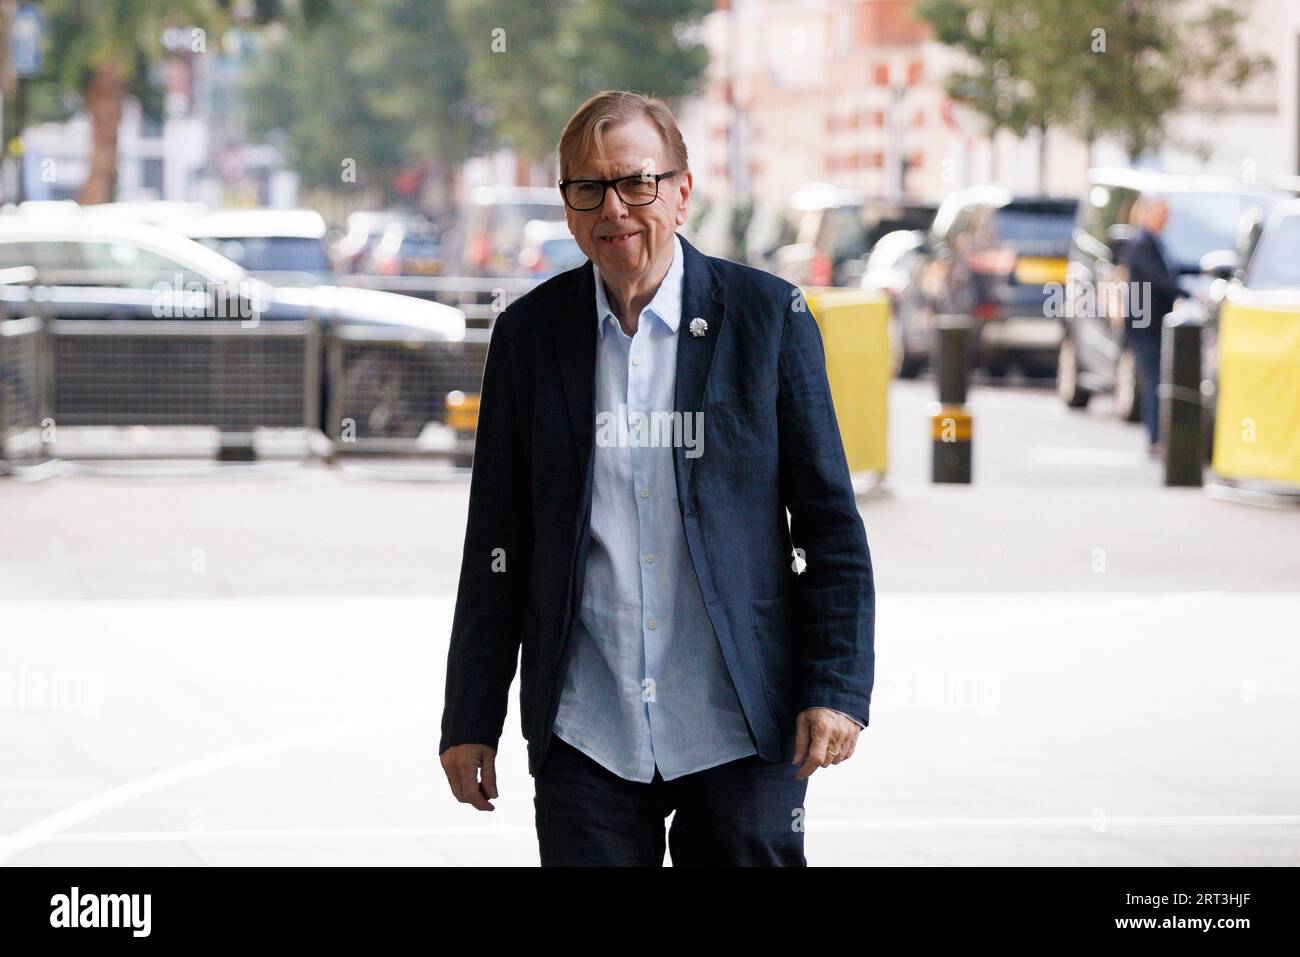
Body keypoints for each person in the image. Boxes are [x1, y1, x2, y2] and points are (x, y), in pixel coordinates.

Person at [438, 90, 875, 866]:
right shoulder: (529, 338)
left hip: (743, 716)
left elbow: (830, 524)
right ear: (568, 206)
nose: (616, 208)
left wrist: (836, 685)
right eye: (589, 187)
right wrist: (470, 713)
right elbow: (497, 543)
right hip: (588, 725)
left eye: (637, 182)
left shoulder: (769, 318)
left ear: (681, 190)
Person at [1121, 196, 1184, 458]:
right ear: (1146, 214)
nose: (1164, 220)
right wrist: (1186, 294)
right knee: (1155, 380)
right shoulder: (1141, 244)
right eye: (1160, 214)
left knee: (1159, 379)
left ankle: (1160, 437)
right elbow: (1158, 281)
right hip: (1145, 325)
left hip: (1153, 323)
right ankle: (1156, 440)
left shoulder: (1154, 243)